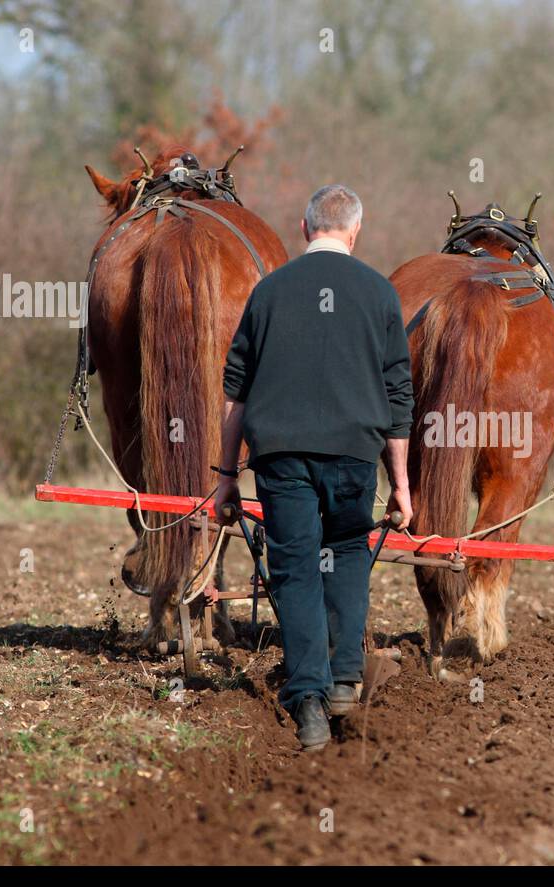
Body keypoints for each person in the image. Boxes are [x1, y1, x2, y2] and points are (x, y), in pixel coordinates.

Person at [213, 184, 413, 752]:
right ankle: (346, 679)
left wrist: (227, 476)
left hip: (280, 455)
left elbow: (237, 392)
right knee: (347, 552)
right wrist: (400, 485)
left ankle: (308, 703)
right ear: (355, 232)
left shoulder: (269, 290)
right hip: (354, 453)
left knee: (295, 567)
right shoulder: (379, 294)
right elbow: (400, 398)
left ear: (305, 230)